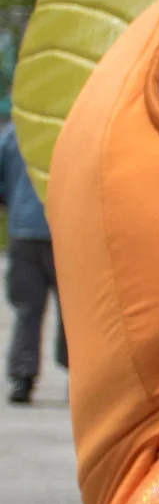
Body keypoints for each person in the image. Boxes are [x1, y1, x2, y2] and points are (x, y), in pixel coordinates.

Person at [0, 120, 65, 403]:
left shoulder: (12, 134)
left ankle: (22, 377)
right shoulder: (72, 127)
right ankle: (77, 376)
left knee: (27, 309)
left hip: (24, 232)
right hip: (67, 234)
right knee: (73, 312)